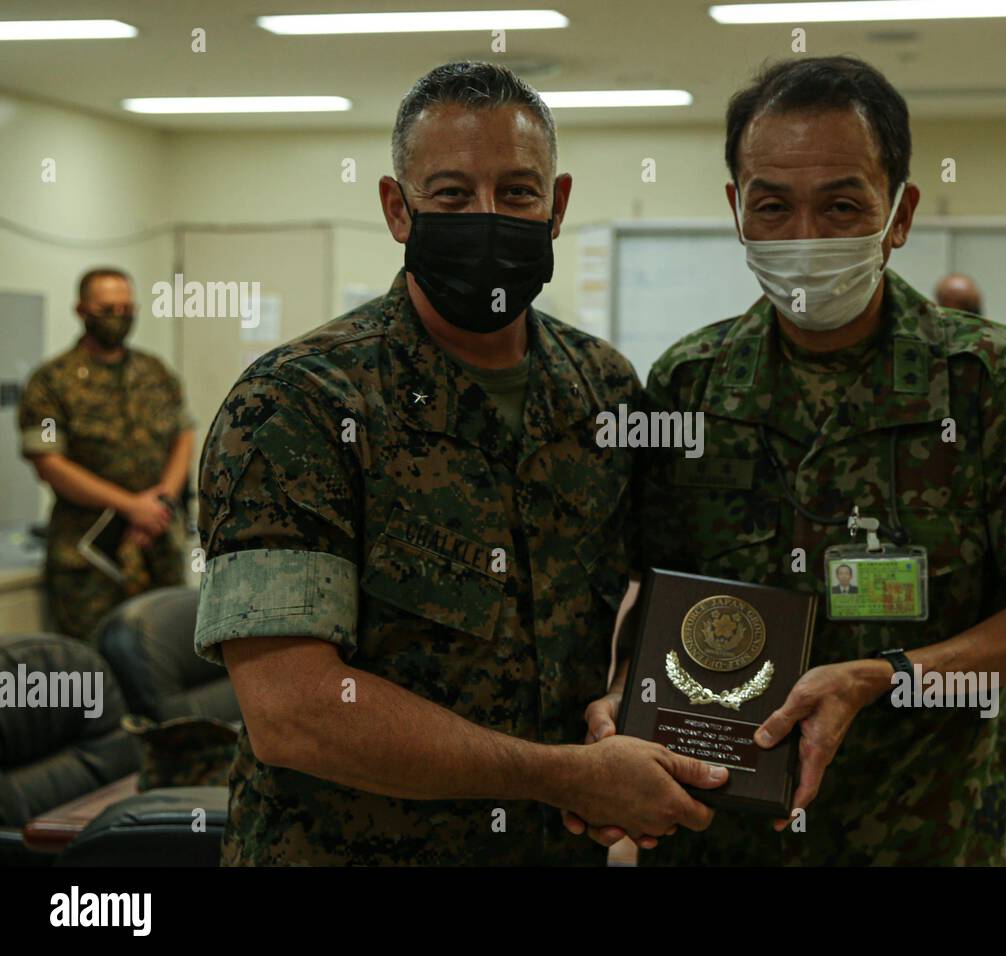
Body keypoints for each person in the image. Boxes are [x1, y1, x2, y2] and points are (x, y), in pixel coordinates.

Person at [191, 61, 725, 866]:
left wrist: (626, 700)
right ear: (396, 208)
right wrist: (568, 777)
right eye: (450, 195)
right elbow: (294, 711)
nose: (487, 216)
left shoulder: (606, 390)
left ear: (559, 205)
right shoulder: (298, 402)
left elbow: (658, 588)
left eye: (517, 193)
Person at [574, 55, 1006, 865]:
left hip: (924, 832)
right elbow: (651, 591)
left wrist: (883, 675)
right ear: (736, 209)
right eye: (773, 206)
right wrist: (621, 697)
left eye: (842, 205)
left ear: (899, 214)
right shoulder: (690, 383)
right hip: (724, 835)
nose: (805, 238)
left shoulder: (986, 380)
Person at [18, 268, 192, 641]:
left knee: (166, 655)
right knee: (93, 668)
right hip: (88, 555)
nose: (119, 318)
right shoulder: (52, 381)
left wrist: (159, 503)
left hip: (157, 544)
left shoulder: (155, 372)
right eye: (108, 309)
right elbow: (49, 462)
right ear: (82, 310)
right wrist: (131, 506)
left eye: (127, 308)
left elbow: (183, 434)